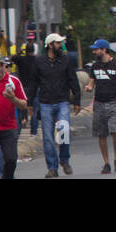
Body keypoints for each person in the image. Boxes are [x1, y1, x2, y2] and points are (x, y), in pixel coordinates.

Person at [29, 32, 82, 178]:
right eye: (58, 43)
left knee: (64, 129)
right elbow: (33, 82)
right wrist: (29, 103)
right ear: (50, 45)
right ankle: (52, 167)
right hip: (45, 103)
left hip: (62, 101)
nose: (61, 45)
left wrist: (77, 100)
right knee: (47, 137)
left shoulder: (66, 60)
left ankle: (64, 160)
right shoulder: (39, 61)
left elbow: (73, 80)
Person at [86, 40, 116, 175]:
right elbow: (91, 83)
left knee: (115, 130)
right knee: (101, 134)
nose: (94, 52)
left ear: (104, 50)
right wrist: (89, 88)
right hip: (99, 104)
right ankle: (106, 162)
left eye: (96, 49)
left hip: (114, 102)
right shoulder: (95, 66)